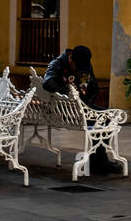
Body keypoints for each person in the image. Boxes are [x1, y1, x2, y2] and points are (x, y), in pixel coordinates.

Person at [43, 45, 123, 175]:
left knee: (108, 117)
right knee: (103, 119)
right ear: (70, 59)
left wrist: (87, 105)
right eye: (77, 66)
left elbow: (94, 89)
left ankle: (98, 161)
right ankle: (99, 162)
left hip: (81, 109)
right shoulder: (57, 64)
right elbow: (47, 83)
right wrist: (68, 94)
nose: (80, 70)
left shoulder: (84, 65)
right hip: (65, 111)